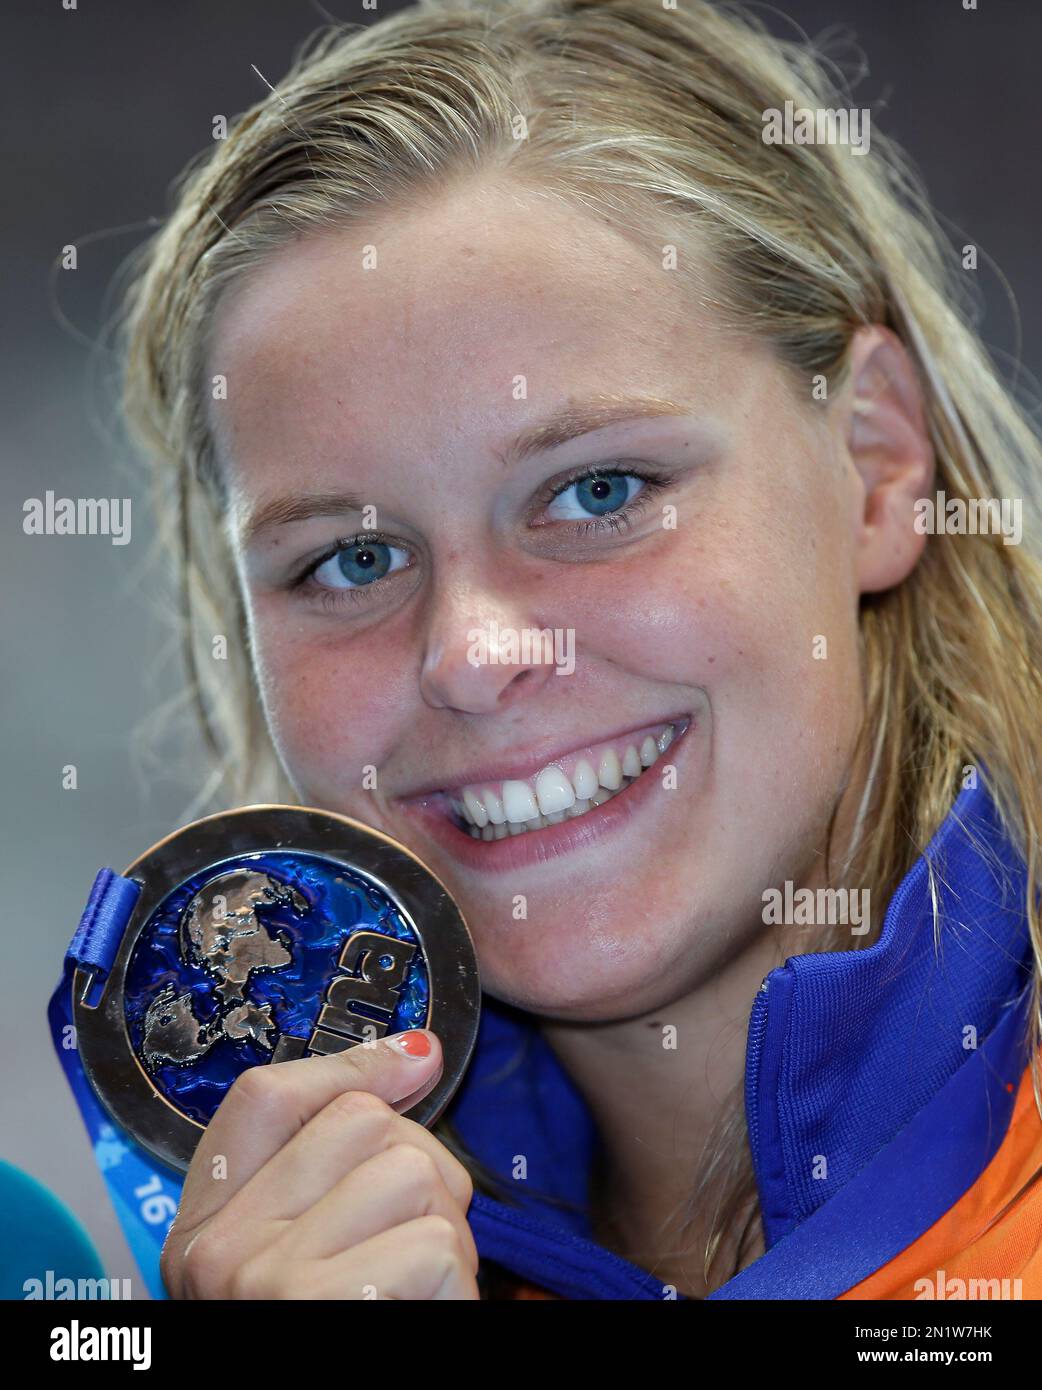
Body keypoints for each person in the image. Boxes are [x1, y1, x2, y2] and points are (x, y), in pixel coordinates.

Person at [113, 0, 1042, 1299]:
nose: (474, 653)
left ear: (877, 465)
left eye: (598, 490)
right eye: (353, 560)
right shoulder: (255, 1257)